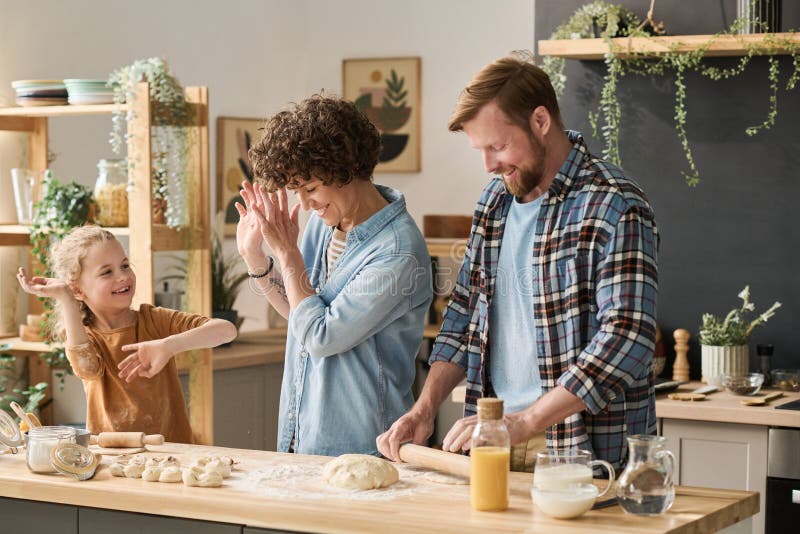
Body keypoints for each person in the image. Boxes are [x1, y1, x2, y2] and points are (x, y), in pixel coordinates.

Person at [377, 52, 659, 473]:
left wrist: (525, 422)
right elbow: (464, 318)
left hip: (582, 448)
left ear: (541, 121)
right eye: (481, 150)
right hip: (494, 439)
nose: (490, 165)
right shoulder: (495, 202)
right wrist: (424, 409)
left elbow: (627, 338)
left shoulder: (614, 204)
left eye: (499, 145)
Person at [235, 94, 432, 457]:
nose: (305, 204)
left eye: (310, 189)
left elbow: (321, 336)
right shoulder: (323, 225)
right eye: (296, 191)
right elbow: (302, 315)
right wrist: (255, 257)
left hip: (364, 449)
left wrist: (288, 253)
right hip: (302, 437)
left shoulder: (397, 252)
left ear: (348, 167)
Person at [17, 225, 237, 443]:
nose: (122, 276)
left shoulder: (154, 320)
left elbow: (226, 330)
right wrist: (65, 298)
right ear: (78, 290)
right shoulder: (85, 336)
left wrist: (169, 345)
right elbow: (86, 367)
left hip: (173, 453)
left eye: (124, 265)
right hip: (115, 458)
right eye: (107, 272)